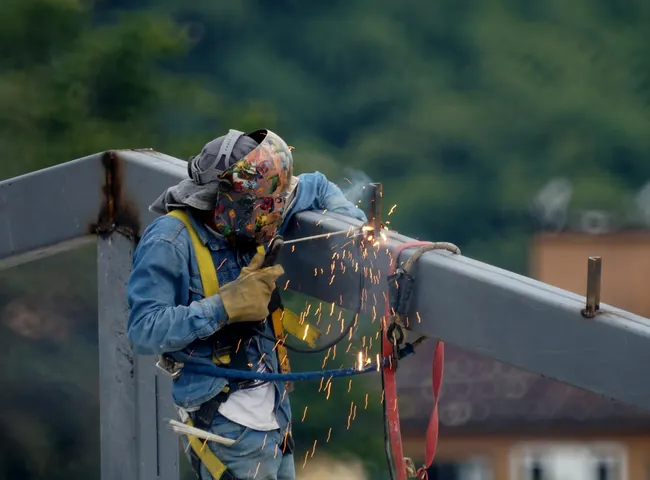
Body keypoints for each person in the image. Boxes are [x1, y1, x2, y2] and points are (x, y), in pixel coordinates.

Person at [126, 128, 366, 480]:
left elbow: (315, 185)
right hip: (226, 426)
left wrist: (349, 223)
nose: (275, 214)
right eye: (265, 206)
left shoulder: (260, 205)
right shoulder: (170, 240)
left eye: (277, 202)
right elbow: (143, 331)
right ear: (229, 200)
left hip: (275, 418)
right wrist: (222, 307)